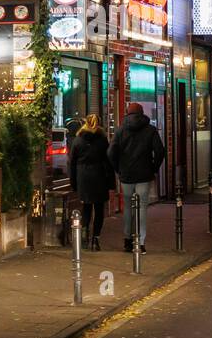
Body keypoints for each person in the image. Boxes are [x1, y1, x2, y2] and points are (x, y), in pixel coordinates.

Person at [109, 102, 166, 254]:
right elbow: (160, 151)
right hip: (144, 175)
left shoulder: (120, 130)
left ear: (128, 113)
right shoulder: (150, 130)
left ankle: (127, 241)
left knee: (128, 207)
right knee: (141, 208)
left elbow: (111, 152)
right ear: (141, 113)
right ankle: (140, 243)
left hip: (126, 175)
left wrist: (118, 168)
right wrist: (153, 168)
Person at [68, 114, 114, 251]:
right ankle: (95, 240)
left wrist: (73, 182)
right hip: (99, 177)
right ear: (99, 124)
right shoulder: (102, 139)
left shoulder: (78, 140)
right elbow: (108, 161)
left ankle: (84, 237)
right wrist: (111, 183)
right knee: (99, 210)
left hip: (83, 178)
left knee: (86, 208)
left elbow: (72, 163)